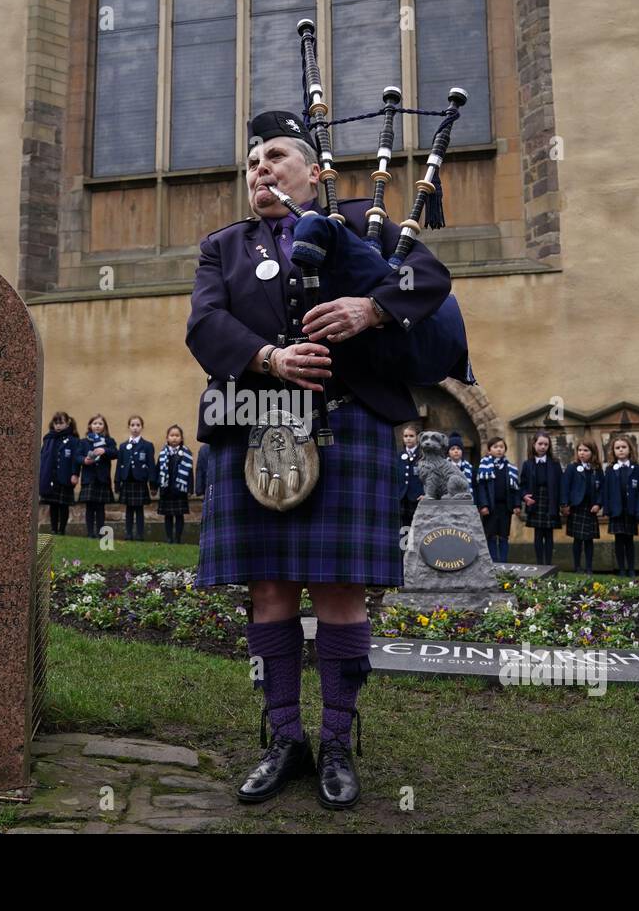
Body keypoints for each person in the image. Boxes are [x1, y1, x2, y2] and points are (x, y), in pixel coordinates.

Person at [185, 109, 451, 810]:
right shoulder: (223, 247)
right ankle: (282, 738)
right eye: (250, 162)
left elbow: (430, 277)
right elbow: (205, 323)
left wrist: (373, 308)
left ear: (313, 169)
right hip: (257, 426)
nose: (259, 169)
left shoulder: (364, 225)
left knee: (340, 589)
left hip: (349, 419)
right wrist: (268, 356)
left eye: (274, 155)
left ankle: (336, 740)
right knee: (268, 588)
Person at [602, 436, 639, 578]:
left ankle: (631, 568)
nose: (621, 450)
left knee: (629, 541)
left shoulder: (637, 469)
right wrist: (606, 509)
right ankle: (621, 569)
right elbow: (606, 490)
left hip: (630, 509)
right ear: (613, 451)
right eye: (617, 448)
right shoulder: (610, 469)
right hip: (617, 509)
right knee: (619, 540)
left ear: (630, 449)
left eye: (624, 447)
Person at [519, 431, 561, 565]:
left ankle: (548, 564)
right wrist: (524, 496)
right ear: (534, 444)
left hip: (550, 500)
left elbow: (561, 483)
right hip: (535, 501)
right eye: (540, 444)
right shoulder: (528, 464)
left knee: (549, 534)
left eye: (546, 444)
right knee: (538, 534)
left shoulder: (555, 463)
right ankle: (539, 564)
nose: (543, 447)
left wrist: (562, 503)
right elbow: (522, 485)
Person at [562, 439, 603, 574]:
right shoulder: (572, 467)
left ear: (592, 453)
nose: (582, 453)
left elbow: (602, 489)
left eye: (586, 450)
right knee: (578, 539)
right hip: (576, 507)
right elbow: (565, 487)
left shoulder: (597, 469)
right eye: (580, 450)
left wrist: (598, 504)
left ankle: (589, 567)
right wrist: (565, 504)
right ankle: (577, 567)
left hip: (590, 508)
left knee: (589, 540)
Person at [475, 436, 517, 563]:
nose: (499, 450)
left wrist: (516, 505)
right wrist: (483, 505)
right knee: (491, 536)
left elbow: (515, 489)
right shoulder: (484, 467)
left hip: (505, 508)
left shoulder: (510, 468)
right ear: (489, 450)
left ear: (505, 449)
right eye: (495, 447)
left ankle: (503, 562)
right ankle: (493, 562)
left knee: (504, 536)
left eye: (501, 447)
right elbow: (481, 488)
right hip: (490, 508)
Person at [116, 415, 156, 542]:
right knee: (128, 510)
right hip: (127, 481)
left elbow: (151, 465)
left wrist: (153, 484)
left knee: (139, 510)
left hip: (140, 481)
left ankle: (139, 534)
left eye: (138, 425)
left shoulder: (147, 445)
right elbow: (119, 465)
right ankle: (128, 534)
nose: (135, 428)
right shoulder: (123, 446)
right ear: (129, 427)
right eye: (132, 425)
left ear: (142, 427)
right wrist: (117, 482)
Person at [76, 414, 117, 539]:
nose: (97, 426)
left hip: (102, 478)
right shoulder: (84, 442)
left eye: (100, 423)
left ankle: (101, 533)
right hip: (89, 478)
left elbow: (116, 453)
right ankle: (90, 533)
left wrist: (105, 451)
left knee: (100, 508)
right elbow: (77, 457)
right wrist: (85, 460)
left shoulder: (109, 441)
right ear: (90, 426)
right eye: (95, 423)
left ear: (104, 426)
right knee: (89, 508)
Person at [39, 411, 78, 536]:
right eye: (56, 423)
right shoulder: (49, 439)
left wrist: (75, 473)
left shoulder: (73, 440)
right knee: (53, 505)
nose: (58, 426)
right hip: (51, 476)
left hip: (65, 476)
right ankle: (54, 529)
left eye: (61, 423)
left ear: (67, 423)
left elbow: (75, 459)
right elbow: (43, 457)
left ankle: (62, 530)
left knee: (63, 505)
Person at [156, 424, 193, 544]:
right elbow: (158, 471)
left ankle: (178, 538)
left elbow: (190, 473)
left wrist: (190, 489)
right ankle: (169, 538)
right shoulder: (163, 454)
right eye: (172, 435)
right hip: (166, 490)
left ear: (181, 438)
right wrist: (155, 486)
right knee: (168, 516)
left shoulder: (186, 454)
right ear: (167, 438)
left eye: (177, 435)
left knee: (179, 515)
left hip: (180, 490)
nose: (174, 438)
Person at [398, 425, 423, 530]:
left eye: (411, 436)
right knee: (403, 528)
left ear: (417, 437)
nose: (408, 438)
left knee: (418, 527)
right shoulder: (398, 455)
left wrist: (426, 494)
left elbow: (429, 477)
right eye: (405, 436)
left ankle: (416, 547)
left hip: (417, 498)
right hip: (401, 497)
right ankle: (403, 546)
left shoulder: (423, 455)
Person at [447, 432, 474, 500]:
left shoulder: (469, 468)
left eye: (458, 449)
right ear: (448, 452)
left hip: (466, 501)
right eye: (452, 449)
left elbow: (474, 487)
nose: (456, 451)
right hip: (449, 501)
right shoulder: (444, 467)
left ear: (462, 451)